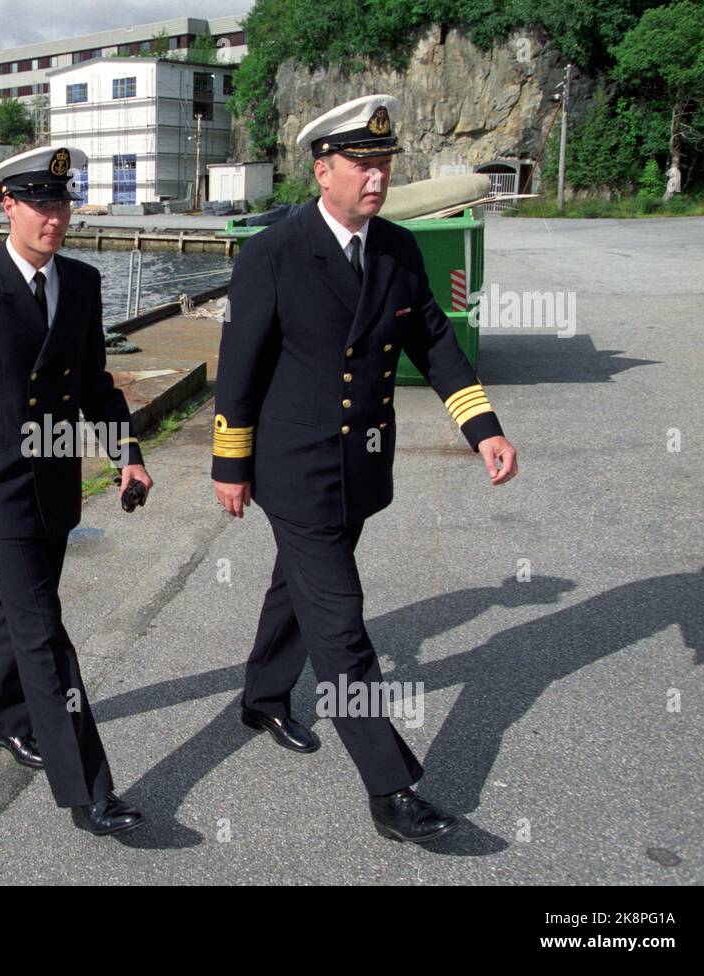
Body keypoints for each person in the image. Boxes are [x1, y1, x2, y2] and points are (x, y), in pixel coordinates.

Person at [211, 94, 519, 843]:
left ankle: (262, 694)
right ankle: (391, 788)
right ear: (324, 171)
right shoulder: (273, 255)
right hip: (295, 468)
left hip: (361, 464)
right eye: (362, 165)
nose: (377, 178)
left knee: (299, 589)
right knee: (343, 628)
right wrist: (230, 460)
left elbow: (436, 344)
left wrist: (482, 428)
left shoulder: (397, 249)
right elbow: (239, 366)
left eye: (384, 164)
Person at [0, 145, 153, 837]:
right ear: (7, 206)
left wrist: (127, 452)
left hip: (56, 487)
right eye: (42, 203)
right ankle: (89, 791)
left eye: (64, 202)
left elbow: (94, 386)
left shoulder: (79, 283)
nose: (57, 217)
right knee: (44, 634)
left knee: (22, 612)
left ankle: (2, 716)